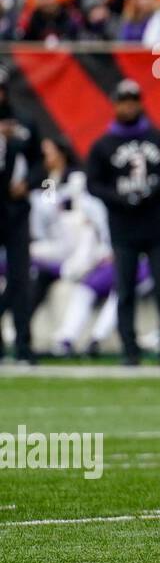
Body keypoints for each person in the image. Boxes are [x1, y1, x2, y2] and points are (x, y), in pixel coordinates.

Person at [84, 80, 160, 366]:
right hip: (123, 227)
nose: (129, 106)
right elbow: (93, 184)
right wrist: (119, 197)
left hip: (155, 225)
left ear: (140, 103)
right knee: (124, 290)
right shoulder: (104, 144)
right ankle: (129, 350)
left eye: (133, 100)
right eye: (123, 100)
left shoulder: (159, 138)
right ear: (115, 104)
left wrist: (151, 191)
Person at [0, 68, 40, 363]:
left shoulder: (24, 122)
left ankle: (24, 345)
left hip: (16, 211)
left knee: (20, 279)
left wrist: (27, 184)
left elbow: (40, 162)